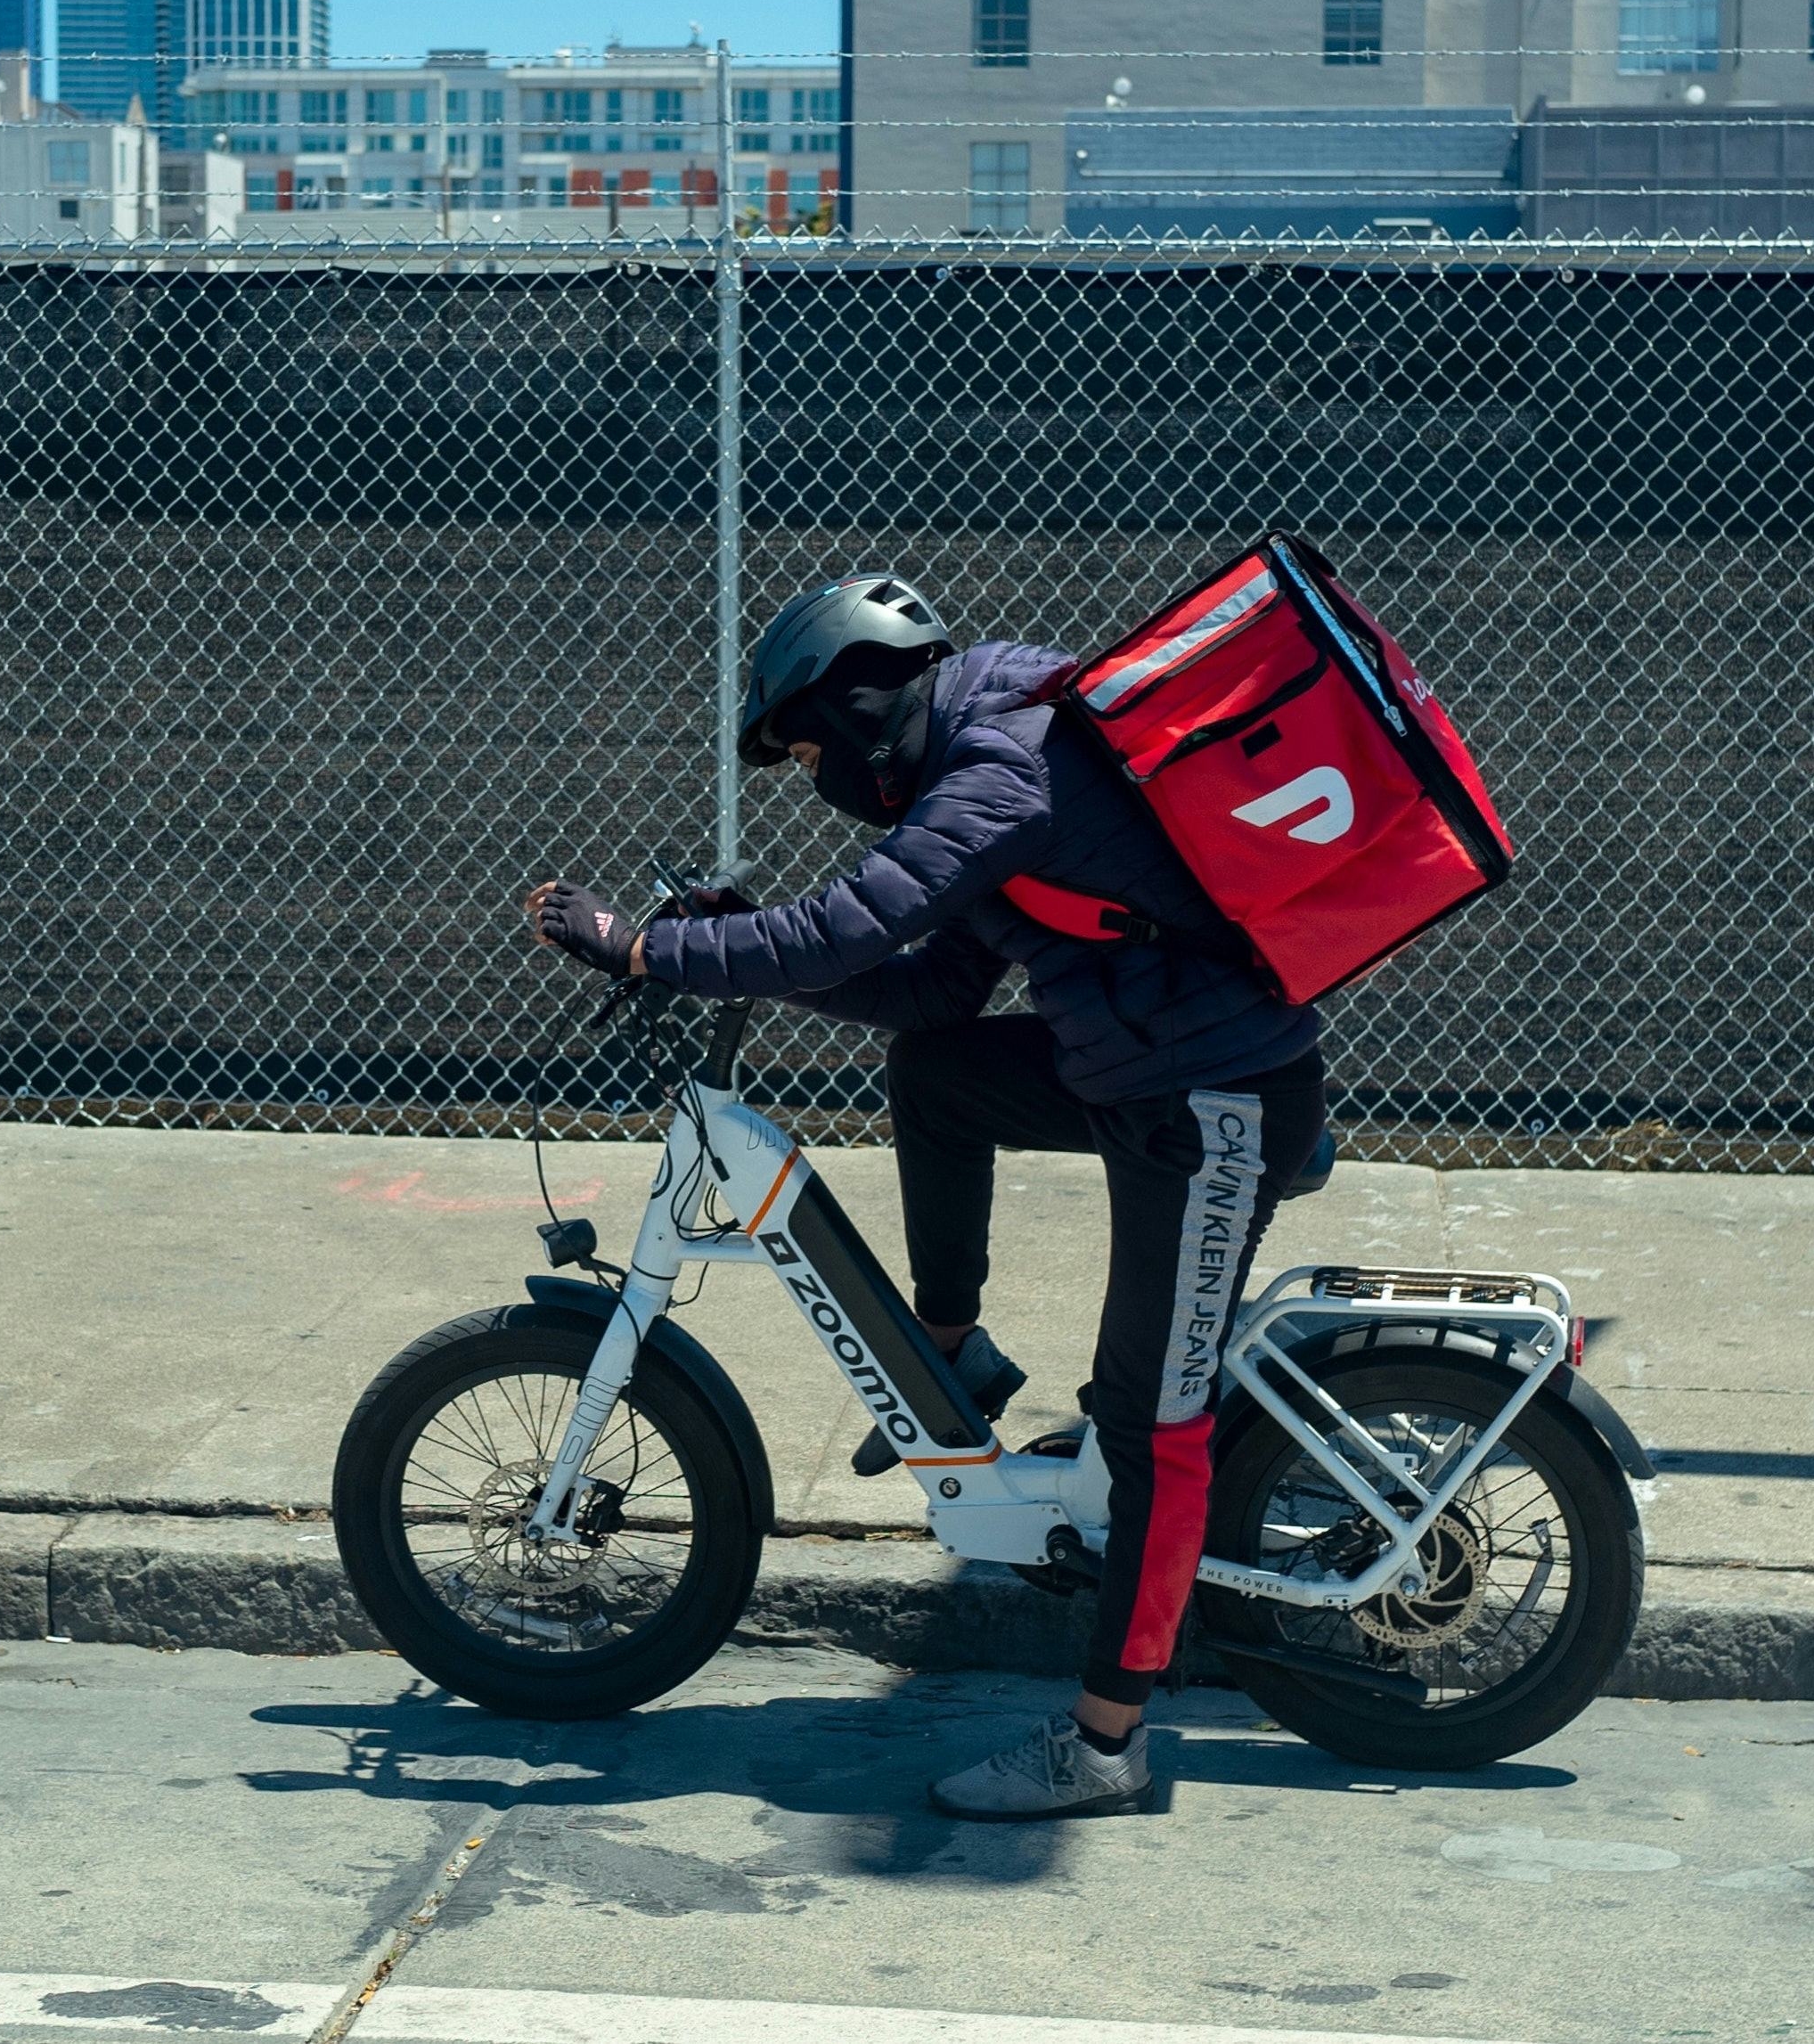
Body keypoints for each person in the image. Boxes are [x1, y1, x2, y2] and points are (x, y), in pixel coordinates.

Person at [518, 572, 1329, 1822]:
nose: (807, 766)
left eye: (800, 742)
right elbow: (929, 990)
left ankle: (1108, 1746)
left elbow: (846, 929)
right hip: (1144, 1066)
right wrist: (753, 955)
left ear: (851, 700)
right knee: (943, 1075)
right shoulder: (984, 745)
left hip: (1212, 1102)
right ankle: (954, 1352)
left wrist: (644, 944)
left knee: (1146, 1414)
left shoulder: (1000, 767)